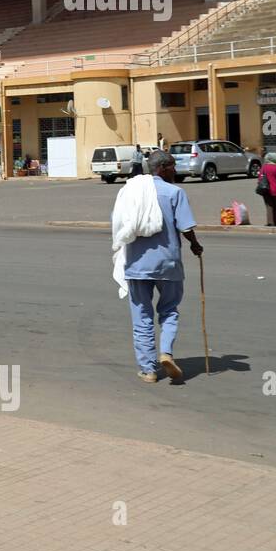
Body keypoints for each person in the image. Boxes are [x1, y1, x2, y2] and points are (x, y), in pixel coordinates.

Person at [111, 150, 202, 384]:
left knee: (141, 316)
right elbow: (186, 227)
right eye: (172, 166)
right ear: (161, 167)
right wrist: (195, 245)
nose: (176, 170)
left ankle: (148, 370)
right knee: (169, 310)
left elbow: (120, 221)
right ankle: (166, 353)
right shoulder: (175, 192)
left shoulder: (130, 191)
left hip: (136, 264)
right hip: (167, 264)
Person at [258, 152, 276, 227]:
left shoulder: (264, 167)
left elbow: (260, 178)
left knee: (269, 206)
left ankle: (270, 222)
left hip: (266, 189)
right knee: (275, 205)